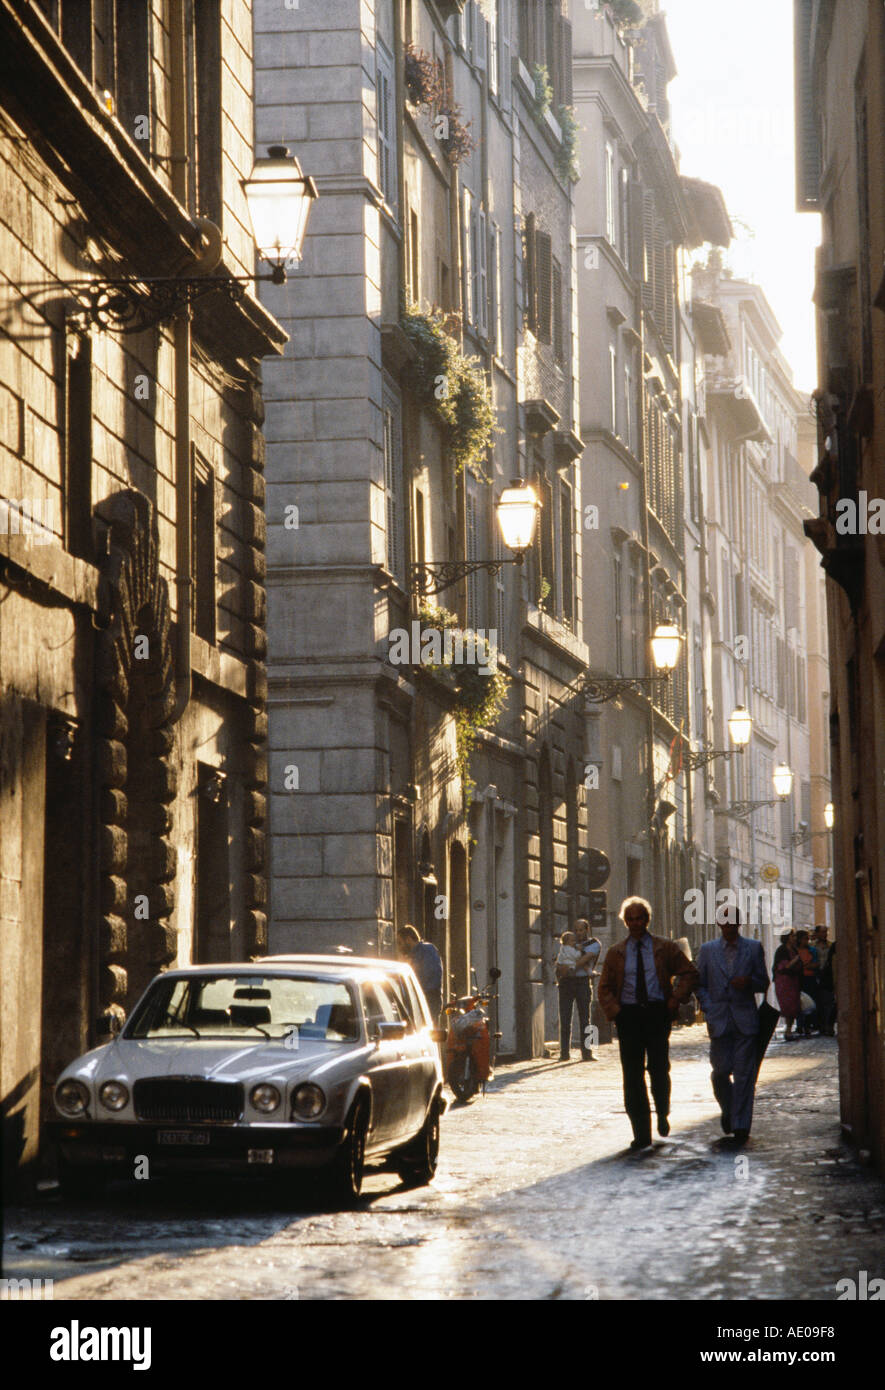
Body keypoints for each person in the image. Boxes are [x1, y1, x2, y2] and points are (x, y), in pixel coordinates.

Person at [598, 897, 698, 1151]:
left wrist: (676, 998)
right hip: (628, 1015)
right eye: (630, 919)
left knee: (658, 1068)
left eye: (639, 918)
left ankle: (662, 1111)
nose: (635, 923)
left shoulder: (664, 948)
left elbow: (688, 972)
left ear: (647, 920)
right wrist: (616, 1012)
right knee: (632, 1075)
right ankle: (641, 1132)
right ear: (625, 922)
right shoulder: (616, 952)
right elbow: (605, 987)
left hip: (657, 1013)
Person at [696, 905, 770, 1146]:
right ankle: (728, 1108)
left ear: (739, 923)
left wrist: (749, 982)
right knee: (719, 1072)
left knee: (744, 1075)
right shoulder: (707, 951)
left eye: (732, 923)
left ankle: (740, 1126)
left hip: (745, 1020)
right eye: (724, 923)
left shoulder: (752, 948)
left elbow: (763, 981)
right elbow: (700, 984)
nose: (728, 927)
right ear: (719, 924)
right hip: (719, 1020)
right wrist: (708, 1006)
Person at [555, 920, 601, 1062]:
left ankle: (587, 1053)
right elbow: (560, 962)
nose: (578, 933)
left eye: (581, 930)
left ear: (587, 930)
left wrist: (568, 968)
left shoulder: (594, 943)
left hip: (582, 982)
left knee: (585, 1019)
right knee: (565, 1018)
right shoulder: (569, 944)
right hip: (566, 983)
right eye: (576, 930)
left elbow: (583, 960)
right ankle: (564, 1053)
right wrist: (561, 968)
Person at [397, 925, 444, 1023]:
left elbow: (431, 975)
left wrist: (416, 993)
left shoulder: (426, 950)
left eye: (400, 943)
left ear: (409, 939)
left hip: (428, 999)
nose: (399, 947)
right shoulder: (411, 957)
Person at [772, 928, 802, 1038]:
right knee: (787, 1005)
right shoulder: (782, 950)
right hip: (784, 981)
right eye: (792, 936)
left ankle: (789, 1029)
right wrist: (796, 959)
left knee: (794, 1005)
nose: (794, 938)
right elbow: (785, 966)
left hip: (793, 980)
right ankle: (788, 1029)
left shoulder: (794, 949)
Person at [796, 929, 819, 1035]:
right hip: (798, 979)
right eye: (805, 939)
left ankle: (808, 1025)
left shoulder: (812, 950)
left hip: (810, 978)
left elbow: (816, 964)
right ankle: (800, 1025)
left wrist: (804, 966)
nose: (807, 941)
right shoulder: (795, 950)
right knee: (799, 1002)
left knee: (810, 1002)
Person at [817, 932, 836, 1036]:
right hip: (827, 980)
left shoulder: (831, 945)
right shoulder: (834, 949)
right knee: (828, 1004)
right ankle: (827, 1025)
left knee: (831, 1004)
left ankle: (828, 1025)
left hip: (829, 979)